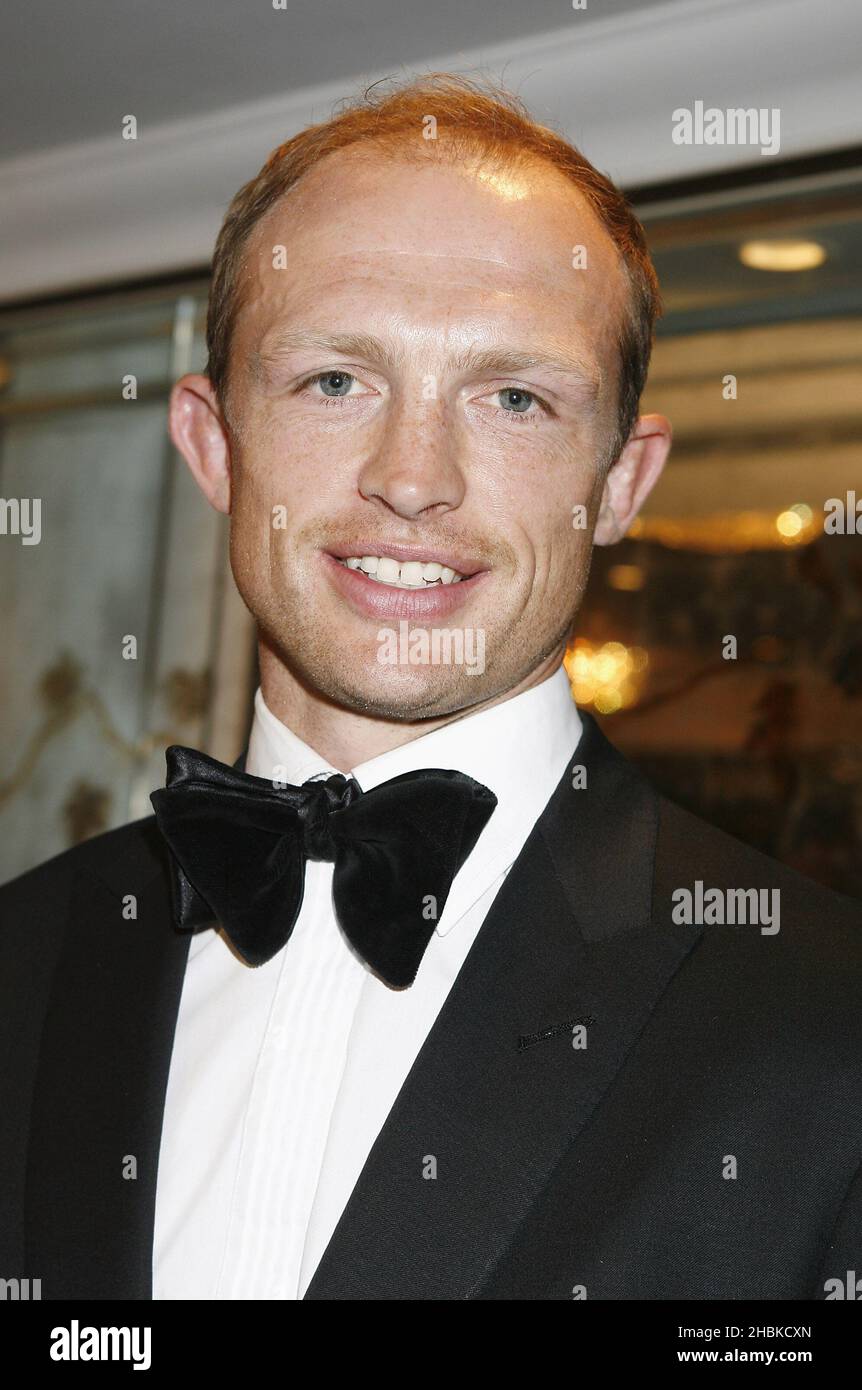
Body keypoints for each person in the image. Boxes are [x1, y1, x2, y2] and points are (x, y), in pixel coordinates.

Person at [2, 74, 860, 1302]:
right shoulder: (20, 960)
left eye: (513, 397)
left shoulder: (827, 1028)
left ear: (620, 482)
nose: (413, 477)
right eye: (334, 381)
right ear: (212, 444)